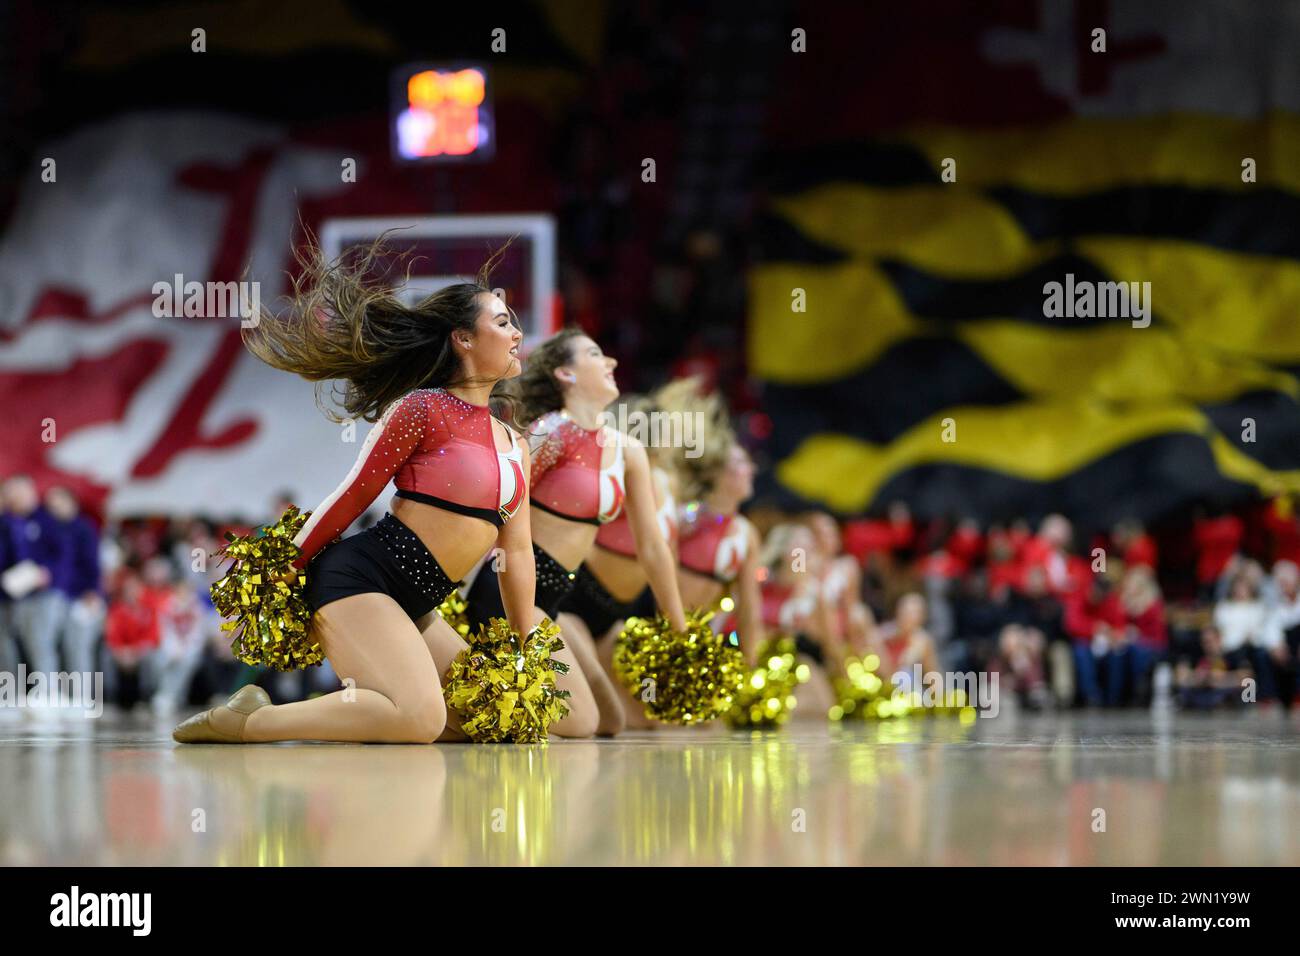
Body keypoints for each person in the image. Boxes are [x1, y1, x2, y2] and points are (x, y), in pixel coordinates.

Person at [174, 237, 541, 743]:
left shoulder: (515, 444)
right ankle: (253, 721)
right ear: (463, 338)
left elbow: (517, 552)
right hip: (360, 579)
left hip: (417, 602)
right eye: (502, 322)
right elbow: (352, 496)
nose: (517, 332)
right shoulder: (422, 408)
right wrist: (286, 570)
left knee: (485, 719)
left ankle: (350, 720)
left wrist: (524, 645)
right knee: (420, 719)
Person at [466, 330, 689, 737]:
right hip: (514, 589)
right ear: (565, 373)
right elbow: (498, 503)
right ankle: (480, 704)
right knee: (582, 722)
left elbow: (653, 548)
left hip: (556, 596)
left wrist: (679, 631)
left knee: (610, 720)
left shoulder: (629, 450)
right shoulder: (551, 432)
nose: (611, 362)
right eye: (595, 353)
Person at [2, 476, 66, 678]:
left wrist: (48, 571)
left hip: (44, 592)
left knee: (40, 643)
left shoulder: (46, 520)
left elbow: (62, 554)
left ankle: (48, 690)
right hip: (15, 593)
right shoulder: (7, 523)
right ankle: (10, 691)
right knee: (13, 646)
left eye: (20, 494)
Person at [46, 486, 104, 676]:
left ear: (72, 502)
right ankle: (67, 692)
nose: (54, 508)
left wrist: (93, 591)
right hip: (63, 596)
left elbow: (92, 562)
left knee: (78, 648)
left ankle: (83, 692)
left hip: (83, 597)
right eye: (51, 505)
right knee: (63, 648)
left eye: (58, 503)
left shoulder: (84, 528)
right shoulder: (53, 529)